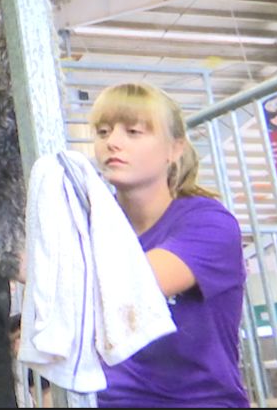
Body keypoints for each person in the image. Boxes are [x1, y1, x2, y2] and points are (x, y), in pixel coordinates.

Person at [89, 82, 248, 407]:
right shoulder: (92, 228)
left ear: (174, 149)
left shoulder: (210, 224)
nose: (112, 142)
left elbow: (129, 286)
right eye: (103, 132)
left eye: (133, 132)